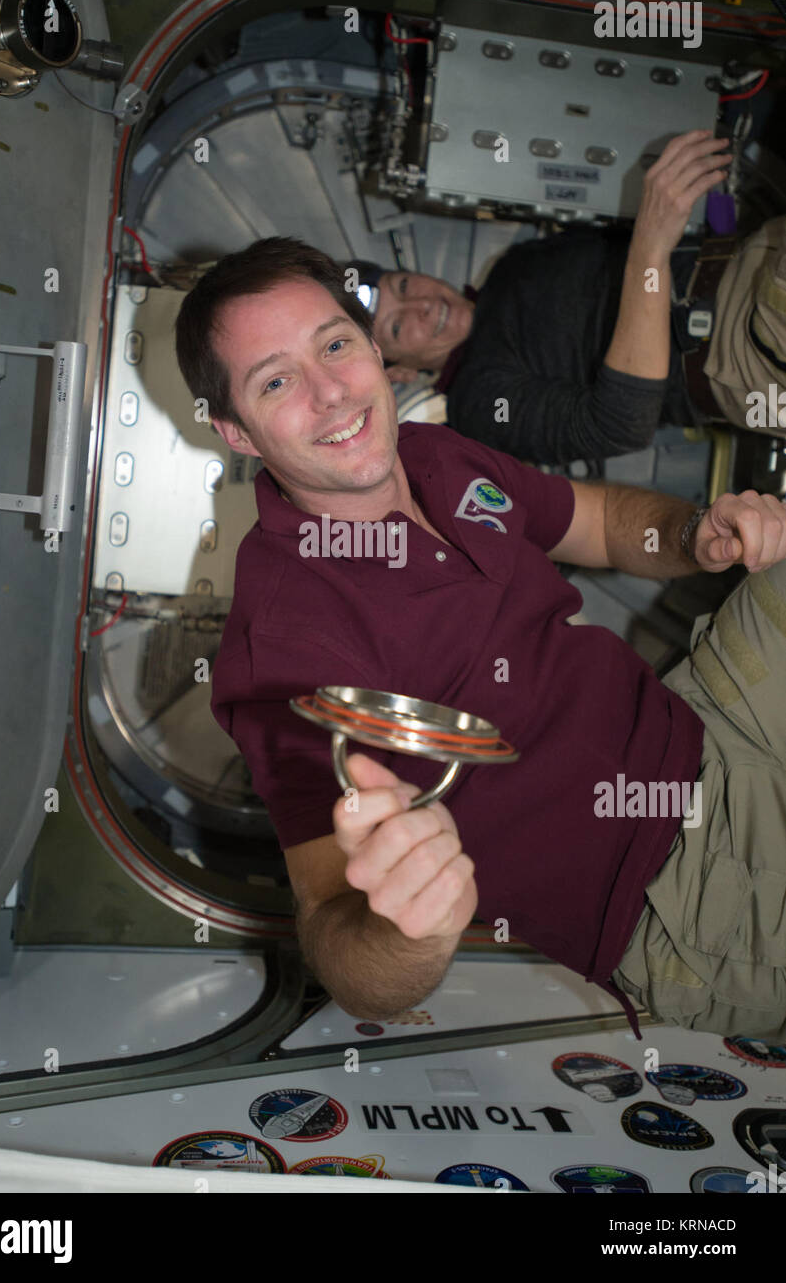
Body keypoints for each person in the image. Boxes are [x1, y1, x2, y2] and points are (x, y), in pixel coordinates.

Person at [174, 131, 786, 1041]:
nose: (334, 393)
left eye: (335, 344)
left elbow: (601, 522)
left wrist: (694, 537)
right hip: (680, 889)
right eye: (276, 382)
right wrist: (403, 929)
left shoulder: (436, 451)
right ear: (238, 434)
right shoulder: (287, 644)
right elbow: (347, 952)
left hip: (709, 716)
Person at [351, 131, 786, 466]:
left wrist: (720, 204)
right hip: (736, 352)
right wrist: (650, 253)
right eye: (396, 326)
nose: (421, 307)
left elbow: (674, 229)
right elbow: (619, 426)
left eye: (403, 286)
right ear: (402, 372)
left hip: (752, 256)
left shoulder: (513, 264)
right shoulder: (479, 406)